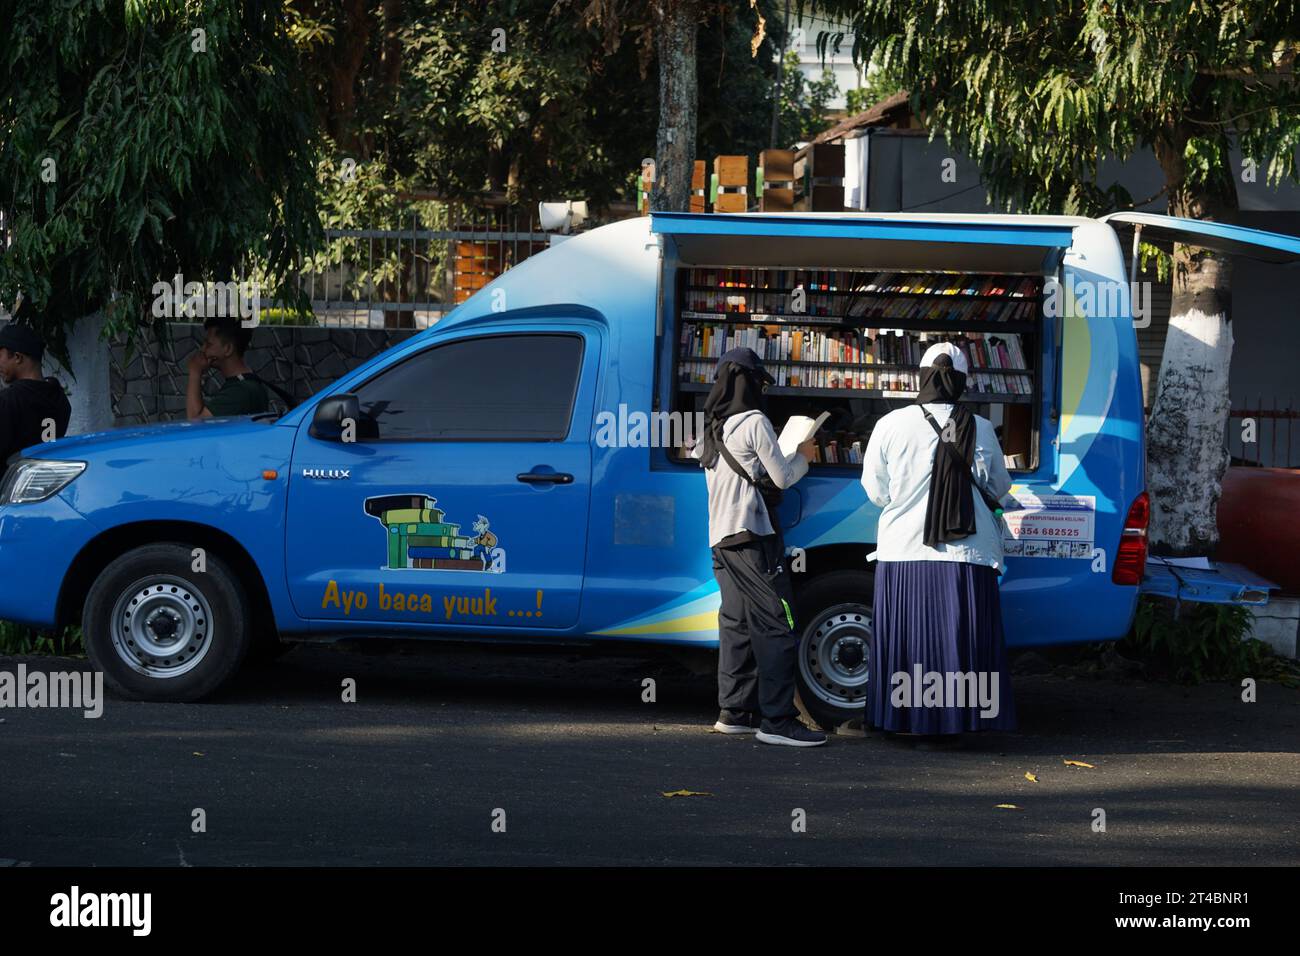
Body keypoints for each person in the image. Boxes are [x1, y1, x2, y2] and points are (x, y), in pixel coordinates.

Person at [860, 342, 1016, 745]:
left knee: (908, 640)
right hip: (968, 553)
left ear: (923, 376)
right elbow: (999, 487)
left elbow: (875, 490)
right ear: (961, 380)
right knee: (959, 639)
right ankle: (957, 722)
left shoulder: (891, 424)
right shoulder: (980, 427)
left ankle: (902, 719)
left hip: (904, 550)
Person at [692, 347, 825, 748]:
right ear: (751, 383)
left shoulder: (709, 427)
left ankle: (735, 712)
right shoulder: (754, 422)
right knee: (776, 623)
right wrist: (803, 456)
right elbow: (782, 479)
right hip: (753, 539)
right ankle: (778, 721)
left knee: (735, 623)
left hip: (721, 539)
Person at [0, 323, 72, 463]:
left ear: (17, 357)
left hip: (16, 483)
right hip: (50, 480)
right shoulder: (59, 397)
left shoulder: (8, 402)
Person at [186, 317, 272, 419]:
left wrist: (195, 372)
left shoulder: (239, 392)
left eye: (209, 344)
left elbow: (195, 423)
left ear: (228, 349)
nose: (203, 349)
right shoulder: (248, 382)